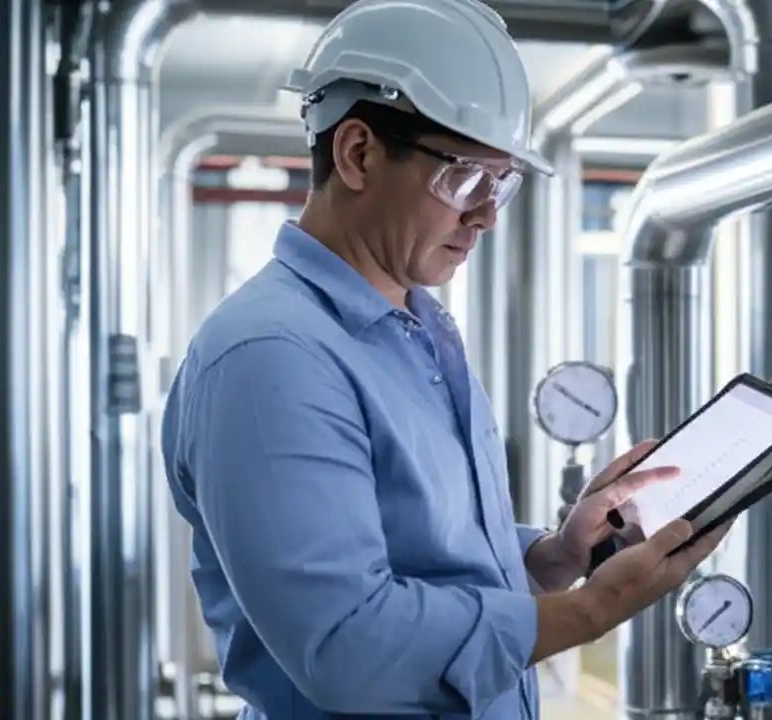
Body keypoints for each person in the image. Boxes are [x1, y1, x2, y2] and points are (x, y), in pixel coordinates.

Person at [159, 0, 733, 718]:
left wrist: (552, 557)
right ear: (358, 153)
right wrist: (592, 610)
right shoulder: (273, 358)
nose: (487, 215)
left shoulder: (416, 332)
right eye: (465, 178)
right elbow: (347, 647)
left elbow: (426, 559)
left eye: (502, 184)